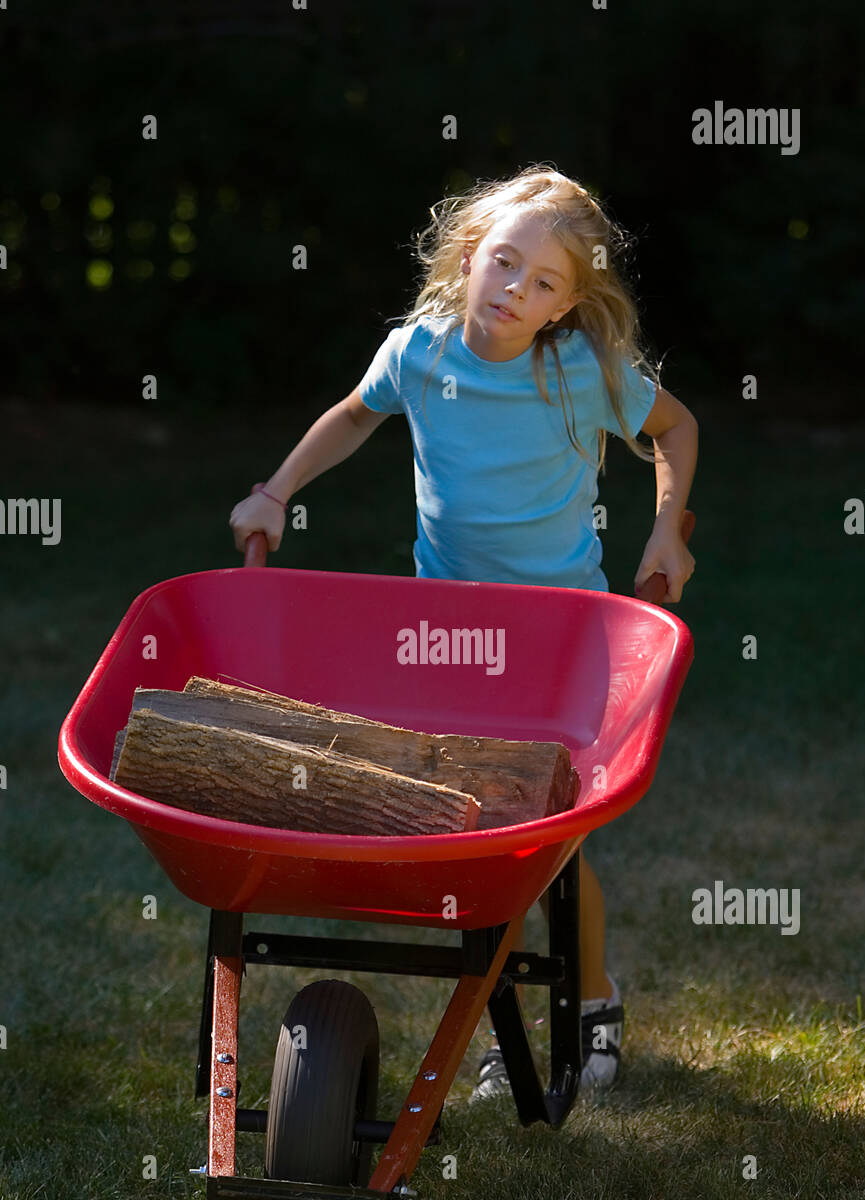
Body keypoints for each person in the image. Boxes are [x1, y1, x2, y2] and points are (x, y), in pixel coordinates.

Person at [230, 163, 697, 1101]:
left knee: (546, 842)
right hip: (445, 634)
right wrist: (275, 491)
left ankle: (590, 1001)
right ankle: (502, 1022)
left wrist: (666, 529)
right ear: (468, 255)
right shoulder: (420, 354)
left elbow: (677, 430)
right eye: (503, 262)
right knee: (470, 834)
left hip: (559, 638)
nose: (513, 290)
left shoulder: (581, 372)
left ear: (568, 304)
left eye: (543, 283)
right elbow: (354, 417)